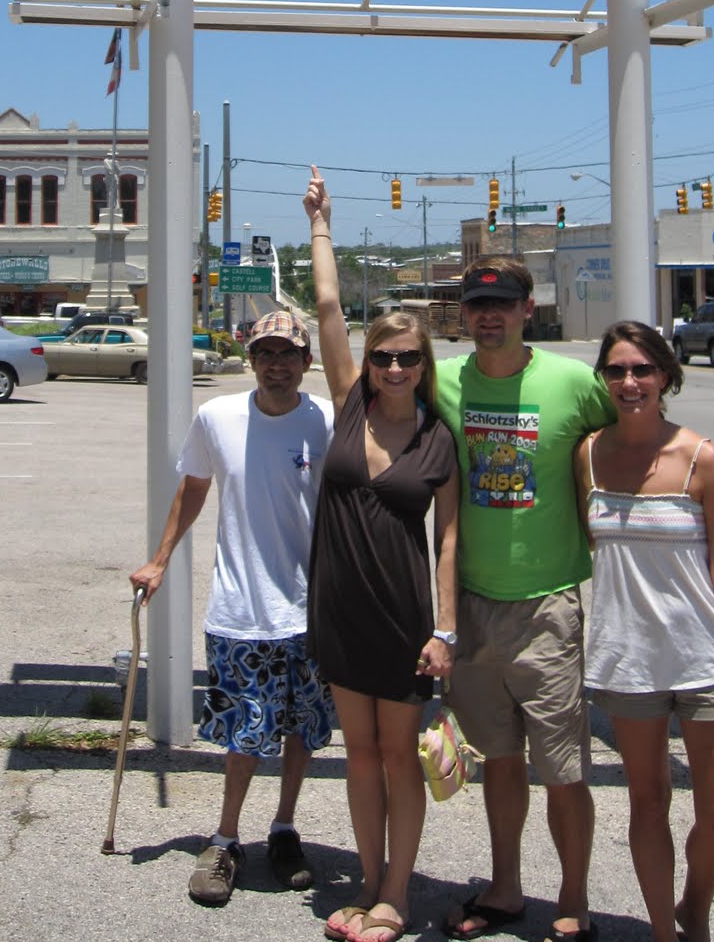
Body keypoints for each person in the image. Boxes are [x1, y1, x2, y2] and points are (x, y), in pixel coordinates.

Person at [435, 258, 714, 942]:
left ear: (527, 309)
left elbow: (645, 433)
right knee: (499, 762)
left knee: (563, 770)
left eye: (504, 302)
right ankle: (505, 887)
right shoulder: (443, 381)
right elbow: (376, 407)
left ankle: (572, 899)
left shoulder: (575, 382)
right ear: (464, 312)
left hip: (550, 605)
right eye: (478, 303)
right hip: (472, 602)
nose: (490, 315)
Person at [576, 321, 714, 942]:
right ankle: (664, 933)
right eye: (617, 370)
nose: (630, 382)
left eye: (642, 369)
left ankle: (695, 908)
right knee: (648, 804)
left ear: (666, 376)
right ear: (604, 379)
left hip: (706, 658)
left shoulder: (703, 458)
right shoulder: (587, 455)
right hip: (628, 660)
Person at [129, 311, 335, 907]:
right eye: (266, 353)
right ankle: (225, 840)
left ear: (306, 362)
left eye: (288, 354)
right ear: (251, 361)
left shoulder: (327, 420)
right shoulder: (216, 416)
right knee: (244, 734)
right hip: (239, 610)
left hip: (311, 610)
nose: (277, 364)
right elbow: (193, 487)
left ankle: (284, 829)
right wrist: (159, 560)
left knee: (301, 728)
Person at [303, 167, 460, 942]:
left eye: (408, 358)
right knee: (358, 756)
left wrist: (445, 631)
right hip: (338, 610)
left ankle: (396, 892)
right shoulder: (346, 406)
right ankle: (368, 883)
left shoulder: (438, 440)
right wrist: (320, 224)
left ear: (425, 366)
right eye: (384, 358)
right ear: (367, 364)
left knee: (400, 757)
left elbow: (450, 539)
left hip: (403, 620)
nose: (395, 369)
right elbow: (329, 305)